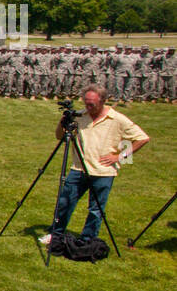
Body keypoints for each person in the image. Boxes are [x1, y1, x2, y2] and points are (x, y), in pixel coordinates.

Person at [43, 84, 148, 246]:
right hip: (78, 169)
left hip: (103, 171)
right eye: (86, 103)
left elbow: (142, 138)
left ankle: (87, 240)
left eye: (92, 104)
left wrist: (120, 156)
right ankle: (56, 233)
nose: (88, 107)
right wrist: (63, 122)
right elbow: (59, 136)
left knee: (95, 209)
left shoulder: (117, 119)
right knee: (65, 202)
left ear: (103, 101)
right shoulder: (80, 116)